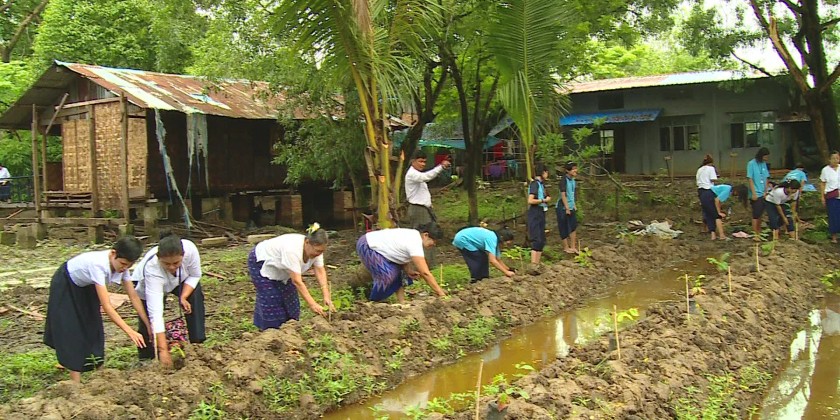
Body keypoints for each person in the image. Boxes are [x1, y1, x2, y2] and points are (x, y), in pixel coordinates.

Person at [43, 236, 148, 383]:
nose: (124, 268)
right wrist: (129, 331)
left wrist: (148, 324)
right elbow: (106, 306)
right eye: (122, 263)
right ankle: (75, 383)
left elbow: (134, 297)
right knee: (72, 329)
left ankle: (99, 373)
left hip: (86, 286)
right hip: (67, 283)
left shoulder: (123, 268)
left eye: (128, 265)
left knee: (93, 325)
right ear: (113, 253)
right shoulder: (98, 265)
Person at [133, 231, 205, 367]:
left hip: (179, 279)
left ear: (183, 256)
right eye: (166, 264)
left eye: (176, 262)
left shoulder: (190, 249)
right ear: (159, 258)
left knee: (195, 295)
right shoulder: (152, 269)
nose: (171, 267)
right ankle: (146, 358)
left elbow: (195, 275)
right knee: (147, 321)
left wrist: (183, 297)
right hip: (147, 285)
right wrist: (163, 350)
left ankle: (197, 343)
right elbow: (156, 314)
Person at [248, 224, 335, 330]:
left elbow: (320, 270)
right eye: (317, 251)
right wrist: (313, 304)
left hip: (284, 268)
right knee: (271, 299)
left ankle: (290, 329)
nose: (319, 254)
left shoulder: (317, 250)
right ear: (307, 242)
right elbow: (297, 281)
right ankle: (270, 332)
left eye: (322, 251)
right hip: (261, 262)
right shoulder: (292, 250)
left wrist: (326, 296)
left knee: (291, 301)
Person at [356, 223, 447, 303]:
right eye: (433, 241)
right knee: (387, 276)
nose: (434, 244)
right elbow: (425, 273)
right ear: (426, 235)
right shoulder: (415, 242)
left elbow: (398, 252)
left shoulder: (414, 236)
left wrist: (408, 270)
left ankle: (401, 301)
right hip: (368, 245)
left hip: (381, 249)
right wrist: (441, 293)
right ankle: (374, 301)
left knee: (401, 274)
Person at [405, 150, 451, 267]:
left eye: (424, 162)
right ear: (413, 161)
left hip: (424, 209)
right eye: (420, 161)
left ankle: (428, 264)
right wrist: (440, 166)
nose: (423, 164)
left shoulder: (417, 174)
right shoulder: (413, 174)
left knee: (430, 234)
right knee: (425, 237)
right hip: (418, 209)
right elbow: (426, 177)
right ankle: (424, 266)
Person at [527, 163, 551, 273]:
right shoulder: (535, 184)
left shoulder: (542, 185)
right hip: (535, 212)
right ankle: (533, 264)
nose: (547, 174)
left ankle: (537, 264)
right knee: (536, 237)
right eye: (546, 172)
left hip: (541, 211)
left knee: (542, 238)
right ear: (542, 172)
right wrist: (543, 201)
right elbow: (530, 200)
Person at [747, 147, 771, 241]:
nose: (767, 158)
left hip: (763, 192)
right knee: (756, 214)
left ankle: (759, 232)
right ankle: (755, 233)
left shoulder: (764, 164)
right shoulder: (751, 164)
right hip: (756, 192)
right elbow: (750, 179)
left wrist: (766, 191)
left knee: (761, 213)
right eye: (765, 156)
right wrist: (753, 193)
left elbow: (766, 178)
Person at [697, 154, 721, 240]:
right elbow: (713, 179)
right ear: (711, 162)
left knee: (706, 211)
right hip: (708, 190)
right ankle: (716, 233)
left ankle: (709, 231)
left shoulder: (699, 169)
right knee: (713, 213)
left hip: (700, 191)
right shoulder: (711, 169)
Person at [556, 162, 579, 254]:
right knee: (563, 227)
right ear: (567, 170)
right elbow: (563, 195)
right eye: (573, 169)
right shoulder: (563, 180)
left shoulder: (573, 181)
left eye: (575, 168)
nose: (575, 170)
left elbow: (572, 194)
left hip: (571, 205)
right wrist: (567, 208)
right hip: (562, 207)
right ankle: (566, 247)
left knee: (573, 226)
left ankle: (573, 247)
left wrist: (573, 205)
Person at [820, 151, 840, 243]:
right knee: (833, 215)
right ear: (829, 159)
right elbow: (822, 183)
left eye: (837, 158)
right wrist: (822, 197)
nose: (835, 160)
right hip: (831, 195)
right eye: (833, 158)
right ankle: (834, 236)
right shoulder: (825, 170)